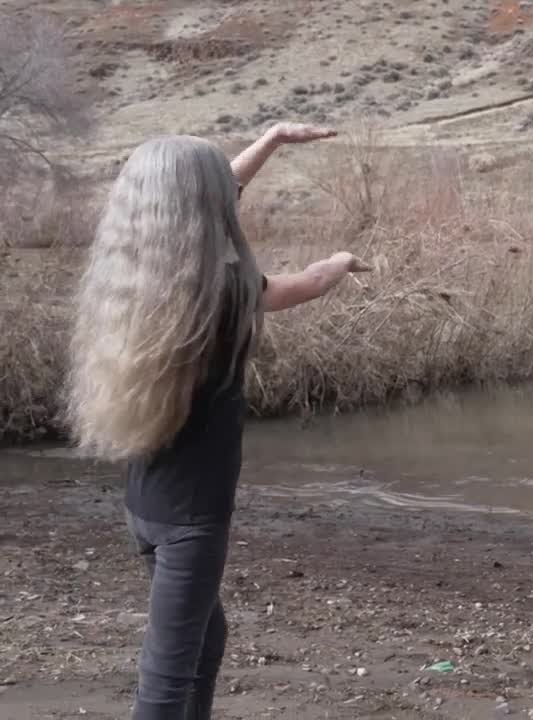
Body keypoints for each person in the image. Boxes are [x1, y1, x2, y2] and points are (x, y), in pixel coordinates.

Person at [63, 122, 369, 720]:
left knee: (207, 639)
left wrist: (272, 139)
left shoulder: (138, 284)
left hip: (146, 504)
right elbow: (307, 283)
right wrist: (340, 260)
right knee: (165, 681)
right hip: (191, 520)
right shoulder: (222, 295)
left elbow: (204, 189)